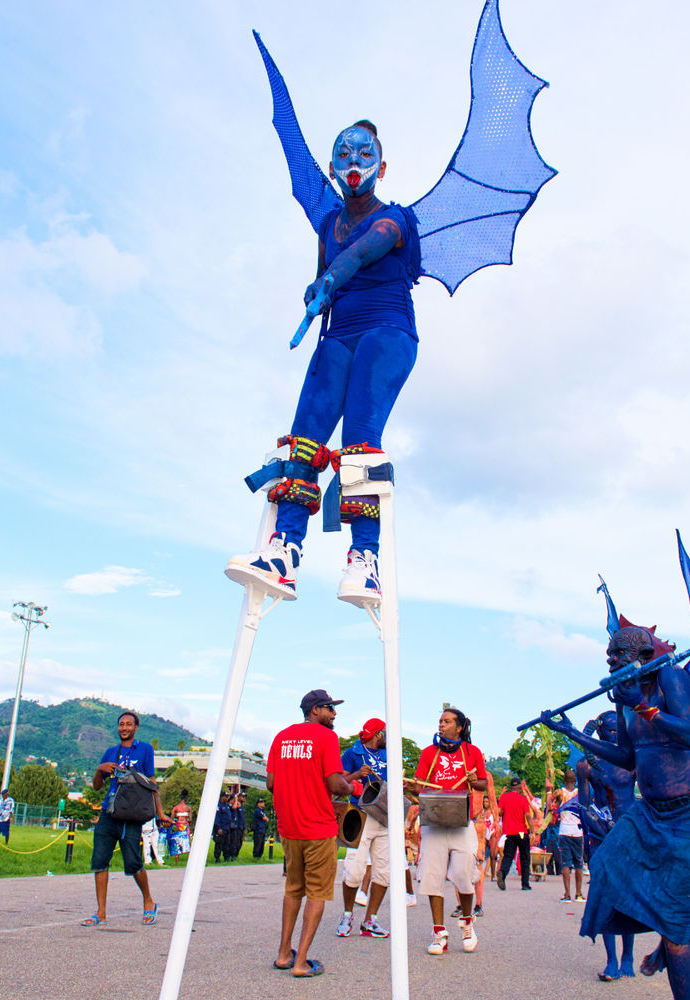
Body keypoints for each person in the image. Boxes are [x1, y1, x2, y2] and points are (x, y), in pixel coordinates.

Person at [227, 120, 420, 608]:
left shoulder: (396, 218)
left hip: (387, 331)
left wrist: (332, 275)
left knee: (359, 440)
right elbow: (327, 273)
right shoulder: (327, 224)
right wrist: (316, 288)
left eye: (363, 154)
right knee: (304, 440)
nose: (353, 164)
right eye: (343, 156)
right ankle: (285, 551)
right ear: (332, 167)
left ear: (382, 165)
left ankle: (365, 560)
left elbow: (363, 250)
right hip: (337, 333)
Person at [545, 625, 690, 1000]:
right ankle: (663, 933)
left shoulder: (670, 678)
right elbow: (627, 757)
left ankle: (672, 946)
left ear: (642, 657)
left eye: (617, 654)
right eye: (609, 655)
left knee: (676, 933)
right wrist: (573, 733)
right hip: (652, 812)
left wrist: (644, 706)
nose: (610, 661)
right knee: (608, 866)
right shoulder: (623, 699)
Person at [267, 689, 353, 978]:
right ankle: (301, 961)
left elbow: (270, 783)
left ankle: (283, 954)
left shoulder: (281, 737)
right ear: (315, 710)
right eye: (330, 708)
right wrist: (351, 787)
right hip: (318, 827)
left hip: (289, 828)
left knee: (293, 889)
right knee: (317, 892)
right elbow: (336, 783)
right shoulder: (327, 738)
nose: (334, 714)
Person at [407, 707, 487, 956]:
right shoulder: (429, 753)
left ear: (460, 727)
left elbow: (483, 782)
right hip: (433, 823)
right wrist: (409, 786)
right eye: (440, 721)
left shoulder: (472, 752)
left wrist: (474, 782)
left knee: (464, 876)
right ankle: (439, 932)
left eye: (447, 721)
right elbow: (420, 787)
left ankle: (466, 923)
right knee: (432, 877)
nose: (441, 725)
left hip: (462, 822)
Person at [81, 711, 168, 927]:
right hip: (109, 812)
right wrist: (99, 770)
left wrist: (160, 812)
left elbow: (151, 782)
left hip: (132, 813)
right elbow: (97, 785)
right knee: (100, 861)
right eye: (121, 724)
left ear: (136, 727)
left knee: (133, 862)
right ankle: (100, 912)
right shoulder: (111, 752)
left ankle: (149, 901)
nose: (124, 727)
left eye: (129, 724)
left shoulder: (145, 749)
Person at [577, 710, 637, 981]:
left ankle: (628, 956)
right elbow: (583, 803)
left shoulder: (633, 760)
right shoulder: (587, 765)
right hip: (602, 834)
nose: (615, 735)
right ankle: (611, 959)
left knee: (627, 897)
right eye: (609, 730)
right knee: (605, 896)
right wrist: (597, 824)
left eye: (618, 730)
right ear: (600, 733)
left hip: (630, 831)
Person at [336, 718, 391, 939]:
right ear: (378, 733)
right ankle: (347, 915)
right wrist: (357, 775)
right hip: (361, 814)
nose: (387, 736)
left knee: (384, 872)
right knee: (354, 869)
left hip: (385, 815)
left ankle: (370, 920)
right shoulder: (352, 753)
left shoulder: (390, 754)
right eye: (385, 732)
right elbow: (338, 782)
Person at [496, 777, 534, 891]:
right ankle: (525, 884)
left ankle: (502, 872)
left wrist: (504, 813)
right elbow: (527, 815)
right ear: (519, 787)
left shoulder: (504, 797)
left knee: (508, 856)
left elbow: (499, 812)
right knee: (524, 857)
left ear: (511, 787)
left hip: (509, 832)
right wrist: (532, 831)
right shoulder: (523, 799)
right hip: (522, 832)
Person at [554, 770, 585, 902]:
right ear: (575, 780)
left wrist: (549, 789)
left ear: (564, 779)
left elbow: (551, 806)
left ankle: (567, 894)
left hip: (564, 831)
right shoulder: (580, 793)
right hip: (578, 831)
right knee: (579, 863)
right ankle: (578, 893)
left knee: (566, 864)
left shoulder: (560, 792)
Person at [213, 790, 232, 863]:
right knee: (219, 843)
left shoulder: (226, 805)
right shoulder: (218, 805)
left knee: (227, 843)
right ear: (222, 797)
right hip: (221, 827)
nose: (227, 798)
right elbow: (217, 817)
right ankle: (217, 858)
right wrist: (218, 828)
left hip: (227, 827)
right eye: (226, 796)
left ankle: (226, 857)